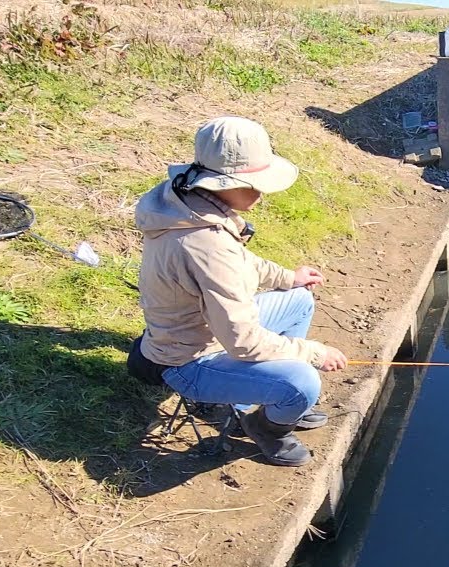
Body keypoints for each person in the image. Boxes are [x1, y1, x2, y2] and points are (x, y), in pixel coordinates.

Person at [127, 116, 348, 467]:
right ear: (220, 182)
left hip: (210, 331)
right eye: (252, 184)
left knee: (299, 300)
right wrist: (312, 352)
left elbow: (241, 263)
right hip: (190, 360)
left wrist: (288, 277)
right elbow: (242, 341)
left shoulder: (193, 206)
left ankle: (271, 400)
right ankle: (266, 426)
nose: (260, 193)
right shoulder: (205, 243)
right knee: (303, 380)